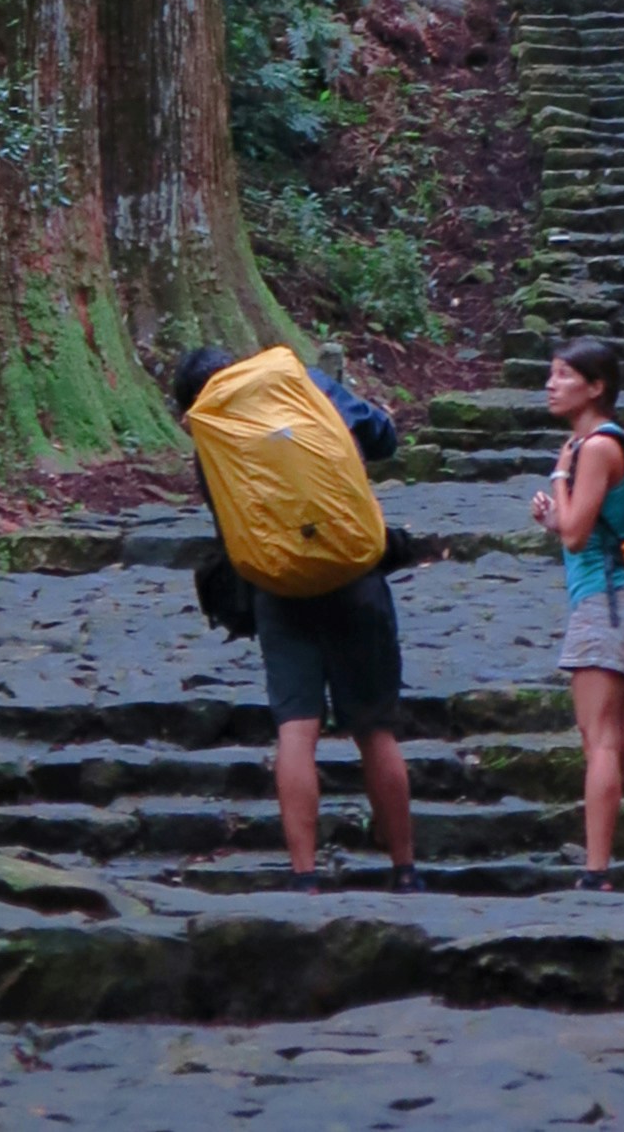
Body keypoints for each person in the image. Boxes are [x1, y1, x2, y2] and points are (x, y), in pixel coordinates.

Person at [170, 345, 420, 893]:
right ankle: (404, 870)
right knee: (375, 728)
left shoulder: (210, 430)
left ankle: (304, 875)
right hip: (354, 573)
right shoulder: (305, 384)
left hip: (277, 584)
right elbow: (383, 438)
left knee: (296, 729)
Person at [531, 335, 624, 894]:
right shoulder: (612, 444)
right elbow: (582, 527)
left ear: (596, 387)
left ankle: (596, 872)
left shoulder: (593, 448)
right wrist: (557, 515)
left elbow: (575, 537)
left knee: (600, 739)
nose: (551, 385)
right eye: (551, 374)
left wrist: (560, 478)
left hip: (607, 604)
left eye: (564, 375)